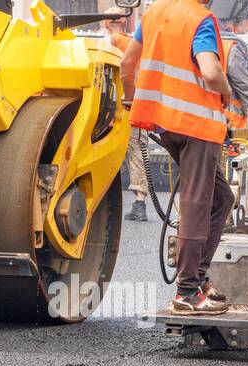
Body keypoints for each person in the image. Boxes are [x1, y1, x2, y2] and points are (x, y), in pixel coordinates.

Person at [122, 0, 236, 315]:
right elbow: (211, 72)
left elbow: (125, 65)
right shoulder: (201, 20)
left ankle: (196, 280)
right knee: (198, 204)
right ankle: (187, 291)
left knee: (220, 199)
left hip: (165, 125)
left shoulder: (154, 13)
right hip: (196, 126)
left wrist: (132, 101)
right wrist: (226, 91)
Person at [106, 10, 151, 221]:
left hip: (115, 107)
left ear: (106, 24)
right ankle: (140, 204)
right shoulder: (136, 44)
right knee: (138, 153)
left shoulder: (109, 42)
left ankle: (102, 201)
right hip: (139, 105)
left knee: (104, 150)